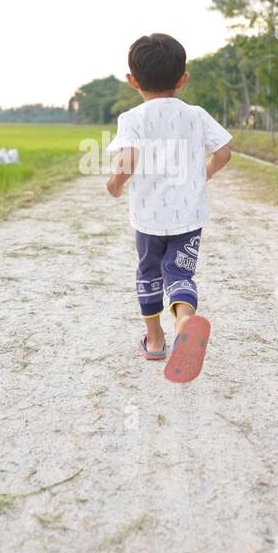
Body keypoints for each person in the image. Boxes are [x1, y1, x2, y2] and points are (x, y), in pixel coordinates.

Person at [105, 32, 232, 383]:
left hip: (147, 217)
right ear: (183, 79)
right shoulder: (196, 114)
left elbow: (128, 160)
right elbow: (223, 153)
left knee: (148, 273)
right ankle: (184, 323)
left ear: (133, 81)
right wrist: (205, 173)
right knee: (180, 274)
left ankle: (156, 341)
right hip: (188, 216)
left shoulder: (132, 118)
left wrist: (114, 184)